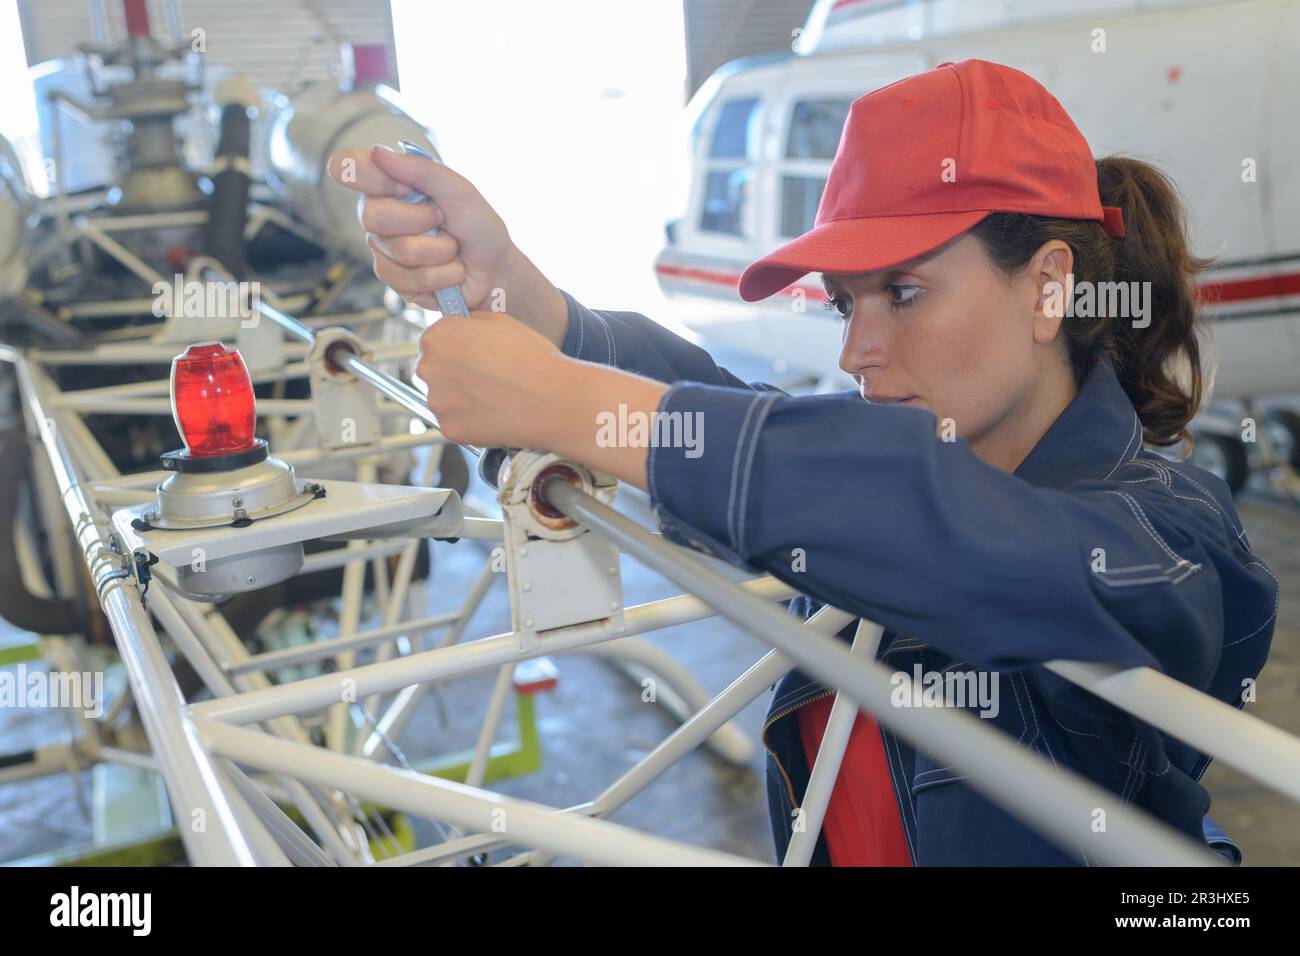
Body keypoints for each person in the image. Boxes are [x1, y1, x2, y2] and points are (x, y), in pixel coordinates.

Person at [327, 59, 1277, 866]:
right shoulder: (897, 464)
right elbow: (759, 433)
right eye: (843, 304)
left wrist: (569, 407)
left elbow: (948, 530)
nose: (857, 352)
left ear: (1048, 287)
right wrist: (515, 291)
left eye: (904, 293)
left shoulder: (1168, 526)